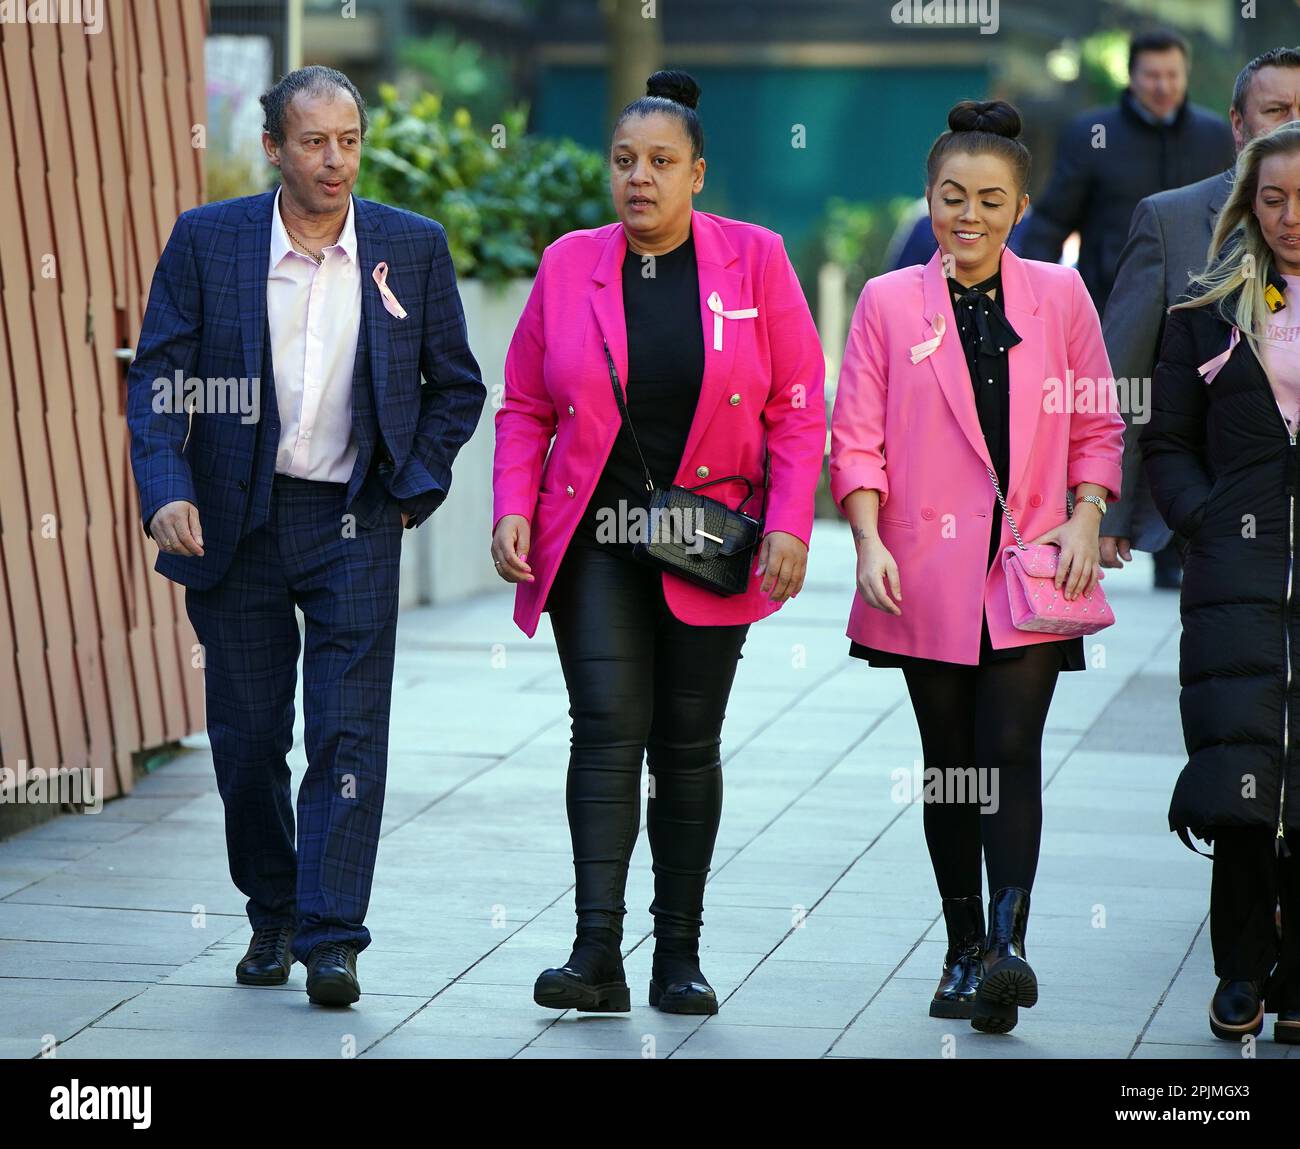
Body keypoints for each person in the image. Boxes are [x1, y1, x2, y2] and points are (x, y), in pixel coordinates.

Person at [126, 66, 485, 1006]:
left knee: (348, 735)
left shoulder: (410, 248)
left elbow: (458, 386)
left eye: (349, 141)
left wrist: (413, 489)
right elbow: (160, 379)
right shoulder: (211, 242)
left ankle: (332, 935)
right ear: (274, 148)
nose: (335, 160)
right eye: (315, 142)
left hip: (355, 518)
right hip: (232, 521)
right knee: (248, 742)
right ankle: (272, 907)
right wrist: (165, 488)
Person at [491, 70, 825, 1015]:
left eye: (662, 162)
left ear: (698, 174)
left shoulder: (756, 260)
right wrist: (512, 503)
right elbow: (522, 403)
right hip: (595, 532)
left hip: (702, 533)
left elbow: (800, 408)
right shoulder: (568, 264)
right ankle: (596, 951)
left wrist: (792, 524)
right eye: (626, 161)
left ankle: (678, 951)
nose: (640, 178)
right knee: (603, 730)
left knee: (686, 742)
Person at [829, 100, 1124, 1034]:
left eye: (991, 200)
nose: (971, 215)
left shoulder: (1061, 297)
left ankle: (1008, 945)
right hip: (921, 569)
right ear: (929, 198)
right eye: (953, 196)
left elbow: (1097, 422)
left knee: (1010, 750)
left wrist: (1087, 517)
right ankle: (962, 948)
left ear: (1023, 205)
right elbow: (857, 439)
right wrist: (869, 538)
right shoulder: (887, 303)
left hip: (1034, 566)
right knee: (949, 764)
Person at [1142, 119, 1300, 1046]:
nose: (1288, 218)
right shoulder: (1207, 306)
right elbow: (1164, 436)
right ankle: (1240, 970)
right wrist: (1204, 519)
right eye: (1271, 199)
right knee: (1242, 772)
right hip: (1234, 571)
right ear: (1247, 205)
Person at [1103, 48, 1300, 591]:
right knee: (1230, 662)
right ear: (1238, 124)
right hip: (1217, 512)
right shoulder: (1172, 219)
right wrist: (1108, 507)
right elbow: (1123, 372)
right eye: (1277, 110)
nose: (1295, 124)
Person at [1018, 28, 1234, 317]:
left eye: (1172, 75)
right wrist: (1034, 297)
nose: (1163, 87)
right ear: (1131, 77)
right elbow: (1051, 223)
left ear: (1186, 74)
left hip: (1199, 308)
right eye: (1152, 76)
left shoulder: (1215, 135)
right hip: (1110, 305)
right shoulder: (1092, 135)